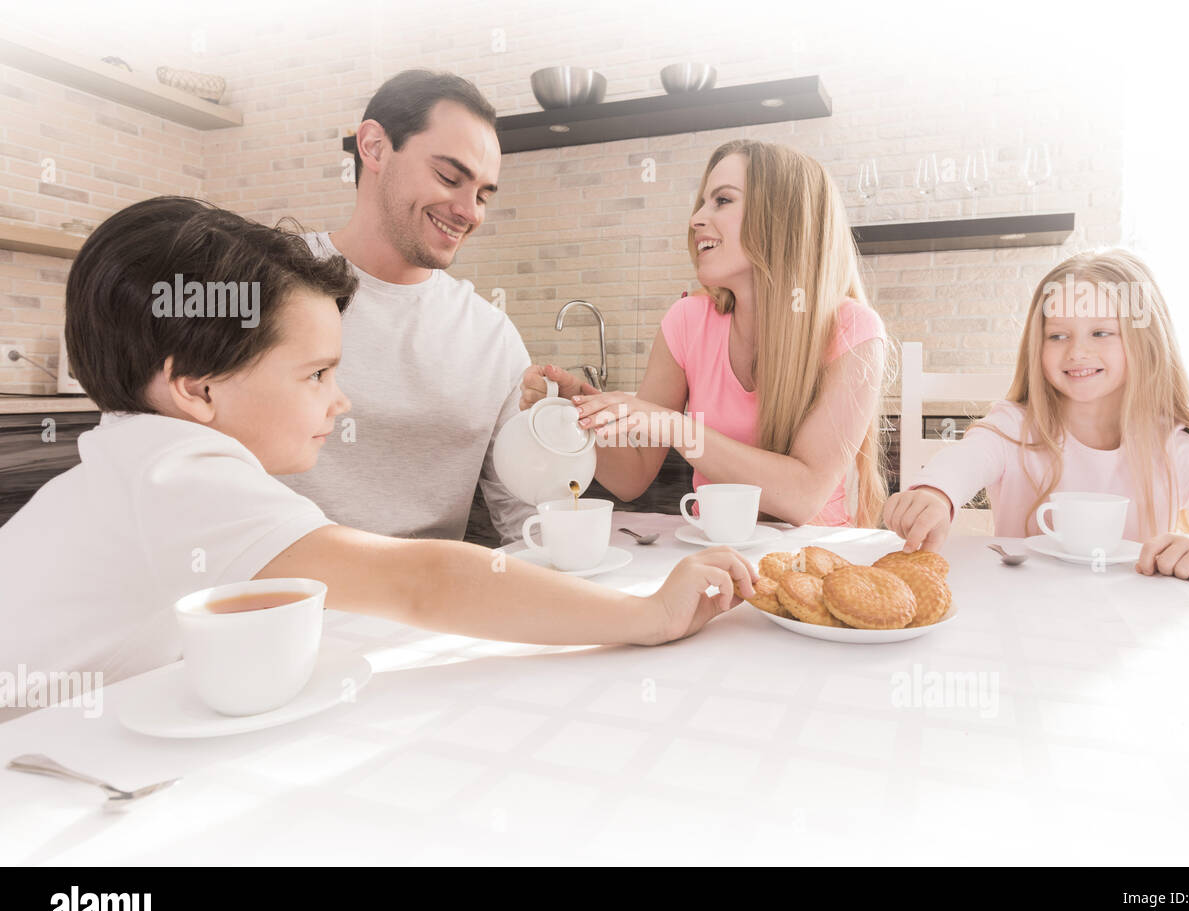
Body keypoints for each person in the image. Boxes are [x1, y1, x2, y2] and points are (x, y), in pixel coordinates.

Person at [0, 198, 757, 717]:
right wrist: (648, 614)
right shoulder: (177, 474)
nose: (342, 402)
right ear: (196, 389)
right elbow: (425, 581)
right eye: (317, 375)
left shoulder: (142, 458)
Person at [520, 140, 889, 528]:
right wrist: (578, 409)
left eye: (722, 201)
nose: (696, 218)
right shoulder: (687, 321)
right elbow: (632, 477)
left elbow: (802, 497)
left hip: (809, 564)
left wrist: (672, 424)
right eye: (702, 202)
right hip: (713, 557)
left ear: (781, 218)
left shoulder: (853, 331)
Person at [883, 248, 1189, 579]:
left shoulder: (1170, 449)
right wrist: (935, 495)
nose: (1077, 351)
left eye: (1101, 332)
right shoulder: (1013, 428)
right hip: (1020, 624)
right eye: (1058, 335)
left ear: (1145, 342)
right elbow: (961, 464)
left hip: (1122, 637)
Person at [278, 70, 533, 544]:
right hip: (276, 603)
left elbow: (529, 523)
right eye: (448, 177)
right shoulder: (260, 284)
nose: (470, 211)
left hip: (424, 608)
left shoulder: (491, 337)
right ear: (373, 147)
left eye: (481, 195)